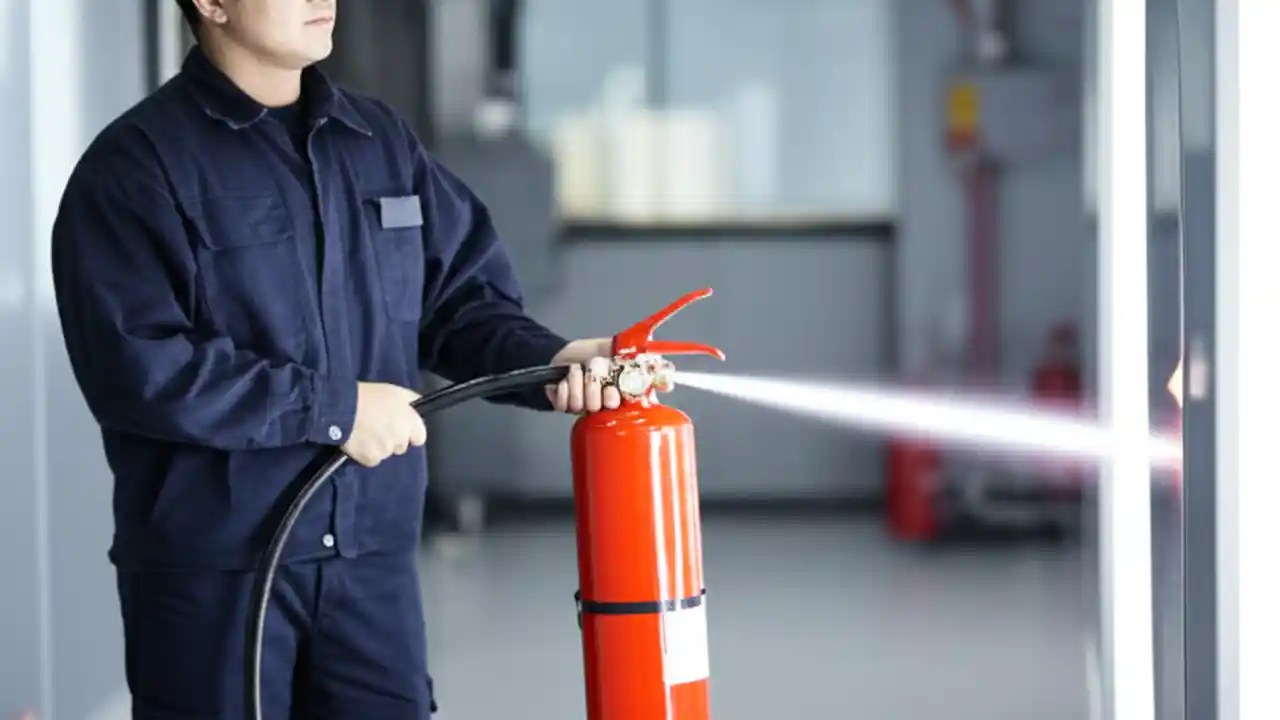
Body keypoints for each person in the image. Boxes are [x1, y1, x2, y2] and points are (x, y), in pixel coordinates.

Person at [50, 1, 620, 716]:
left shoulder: (378, 142)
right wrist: (336, 410)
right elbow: (141, 371)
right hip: (218, 574)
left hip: (370, 563)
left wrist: (557, 360)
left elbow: (460, 307)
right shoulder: (136, 169)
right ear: (211, 4)